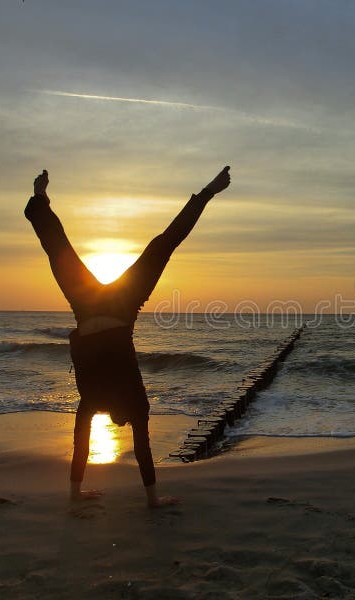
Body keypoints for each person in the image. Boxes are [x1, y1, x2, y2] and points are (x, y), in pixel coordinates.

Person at [25, 166, 231, 507]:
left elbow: (127, 445)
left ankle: (41, 202)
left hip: (109, 307)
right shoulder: (106, 402)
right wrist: (82, 493)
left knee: (160, 247)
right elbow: (94, 442)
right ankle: (41, 203)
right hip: (100, 307)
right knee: (64, 252)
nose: (122, 422)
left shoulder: (128, 403)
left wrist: (148, 498)